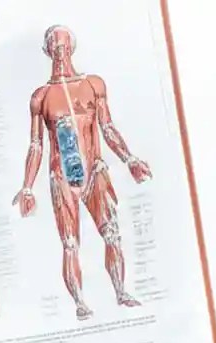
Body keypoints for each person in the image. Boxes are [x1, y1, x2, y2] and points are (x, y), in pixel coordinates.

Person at [13, 25, 153, 321]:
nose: (60, 51)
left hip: (94, 170)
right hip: (62, 176)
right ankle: (79, 301)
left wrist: (129, 159)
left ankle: (120, 291)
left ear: (72, 47)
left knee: (112, 233)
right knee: (70, 243)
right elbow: (36, 144)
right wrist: (27, 187)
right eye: (54, 46)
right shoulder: (41, 97)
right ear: (47, 50)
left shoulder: (93, 85)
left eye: (63, 45)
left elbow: (107, 127)